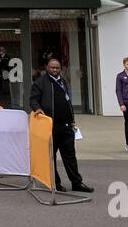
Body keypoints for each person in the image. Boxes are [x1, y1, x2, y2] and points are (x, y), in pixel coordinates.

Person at [29, 58, 90, 193]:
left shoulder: (62, 81)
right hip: (51, 127)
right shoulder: (40, 83)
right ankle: (55, 183)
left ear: (60, 69)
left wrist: (72, 119)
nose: (55, 70)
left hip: (66, 126)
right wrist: (37, 108)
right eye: (52, 68)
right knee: (51, 157)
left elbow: (67, 101)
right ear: (47, 68)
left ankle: (77, 183)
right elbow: (33, 99)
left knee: (70, 156)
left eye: (57, 68)